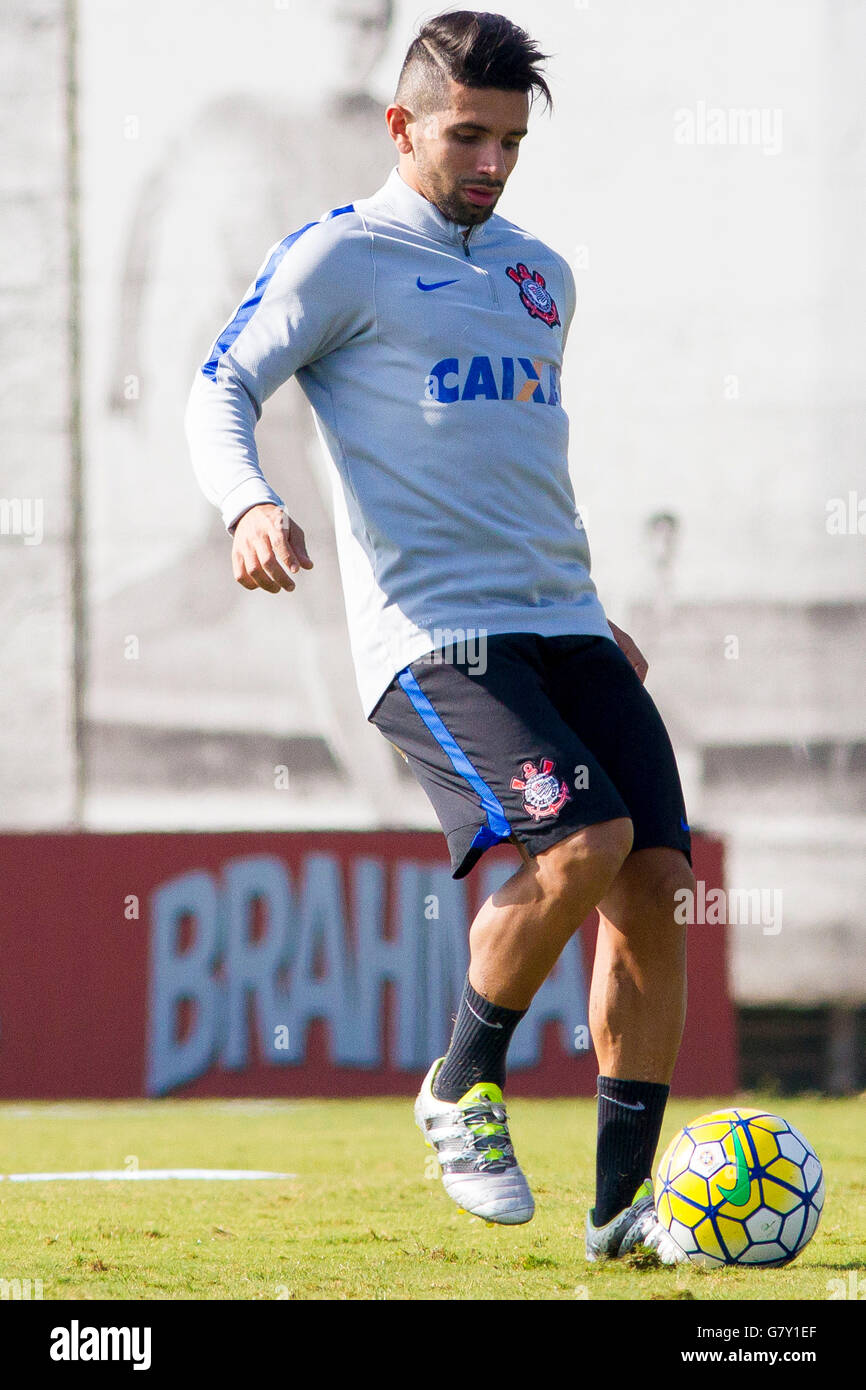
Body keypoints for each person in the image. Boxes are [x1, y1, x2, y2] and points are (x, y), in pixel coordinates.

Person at [185, 9, 696, 1263]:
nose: (489, 162)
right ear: (399, 123)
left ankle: (617, 1210)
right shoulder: (338, 257)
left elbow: (508, 455)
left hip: (564, 622)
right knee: (584, 838)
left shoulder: (540, 274)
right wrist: (251, 499)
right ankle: (459, 1085)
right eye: (466, 134)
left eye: (510, 140)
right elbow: (220, 384)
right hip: (437, 636)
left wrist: (584, 601)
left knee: (658, 889)